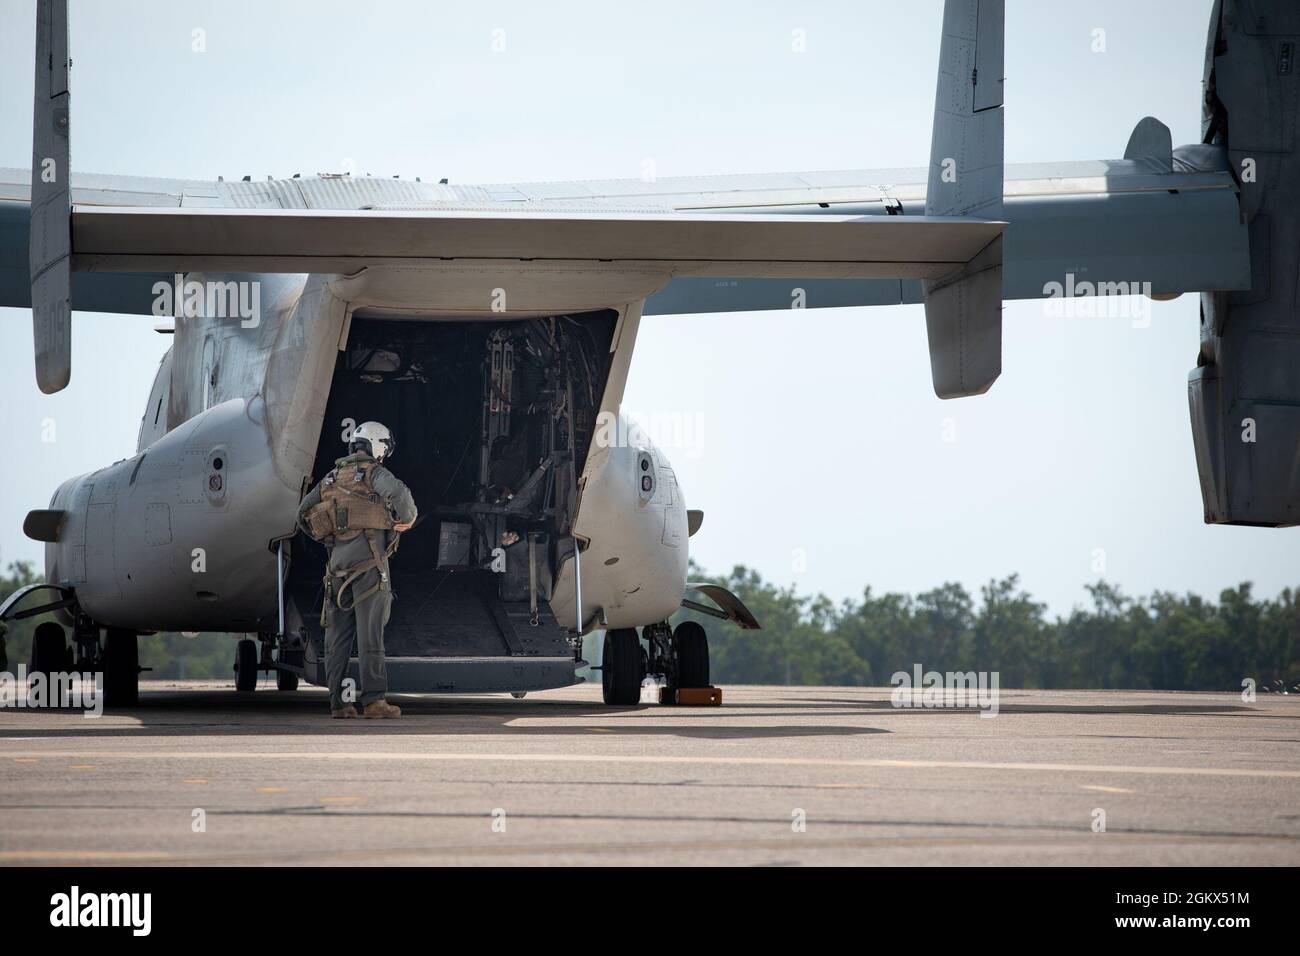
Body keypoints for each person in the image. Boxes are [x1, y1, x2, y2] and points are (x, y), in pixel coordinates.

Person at [297, 421, 416, 719]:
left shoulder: (331, 478)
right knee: (370, 635)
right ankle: (374, 701)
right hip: (370, 566)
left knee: (336, 638)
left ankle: (337, 703)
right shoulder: (376, 473)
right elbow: (400, 495)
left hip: (336, 567)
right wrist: (408, 520)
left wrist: (326, 537)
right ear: (377, 446)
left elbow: (302, 515)